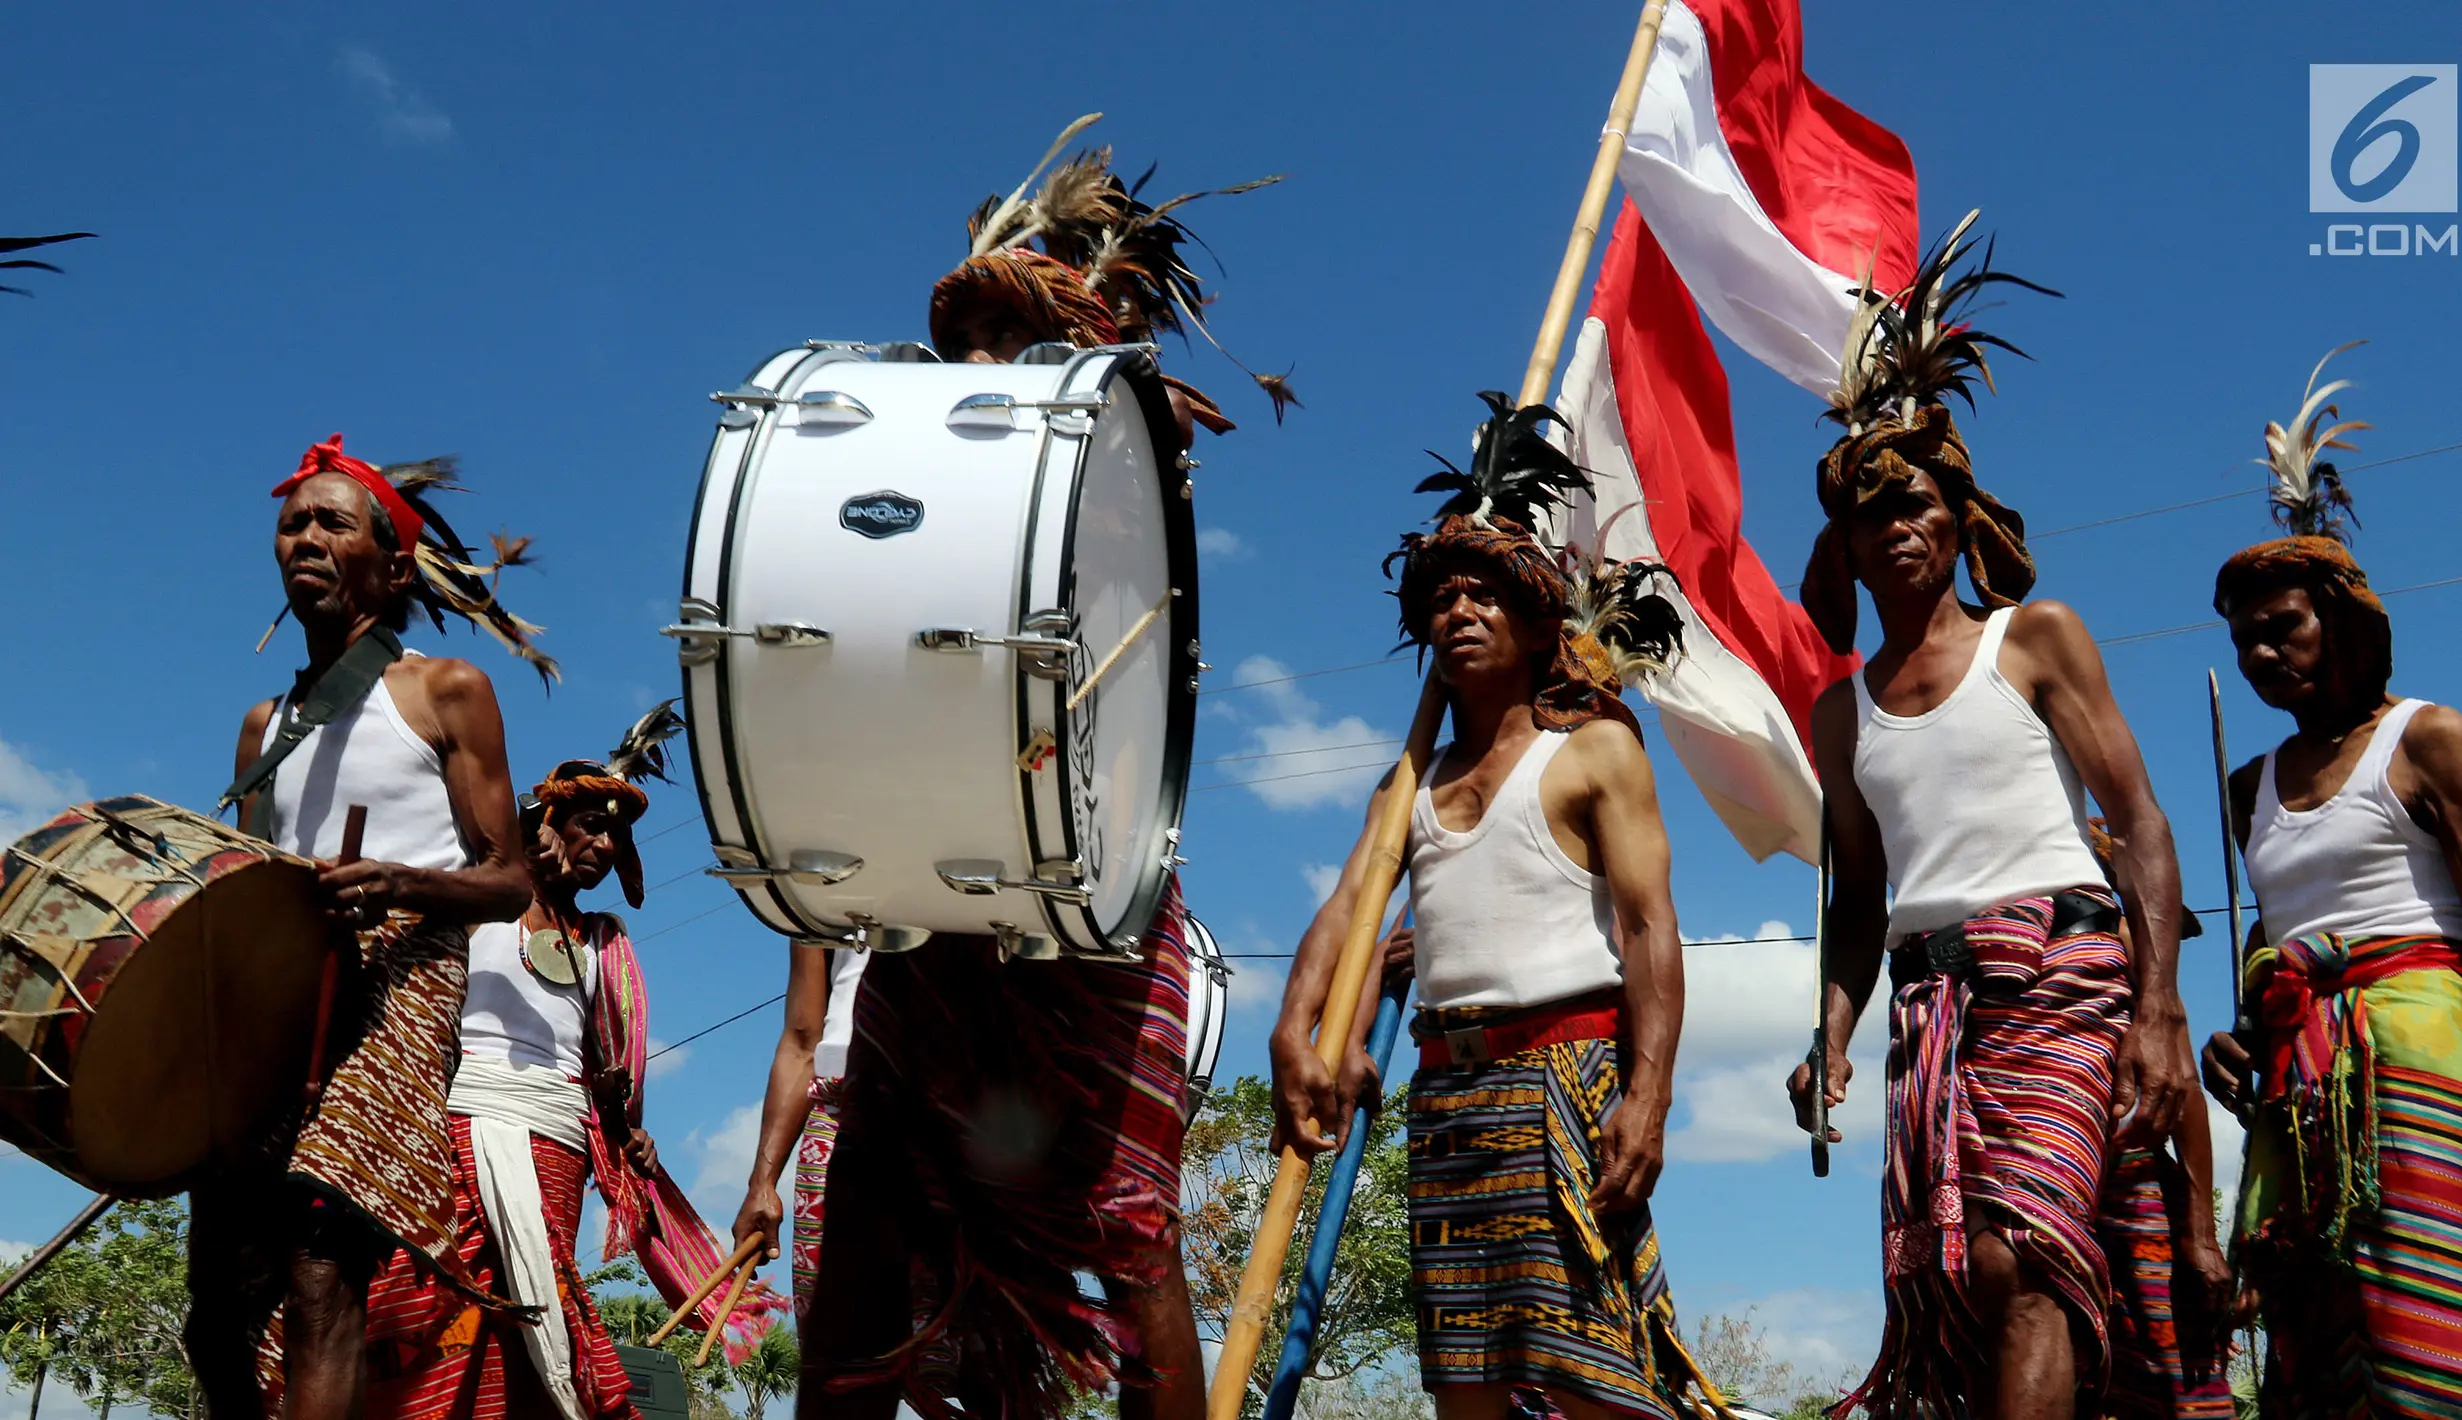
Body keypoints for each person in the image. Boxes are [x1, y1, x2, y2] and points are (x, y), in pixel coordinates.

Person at [780, 119, 1284, 1420]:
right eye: (972, 342)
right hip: (939, 890)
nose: (985, 366)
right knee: (874, 1188)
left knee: (1124, 1224)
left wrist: (1128, 428)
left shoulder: (1126, 463)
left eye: (1024, 340)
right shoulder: (910, 474)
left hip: (1092, 907)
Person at [1779, 218, 2196, 1420]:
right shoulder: (1838, 716)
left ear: (1959, 518)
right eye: (1868, 516)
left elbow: (2142, 823)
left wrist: (2159, 1008)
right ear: (1844, 550)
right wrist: (1831, 1028)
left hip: (2062, 971)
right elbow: (1857, 900)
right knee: (1951, 1275)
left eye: (1915, 502)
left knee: (2020, 1252)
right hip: (1929, 1003)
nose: (1894, 525)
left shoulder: (2035, 640)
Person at [1269, 392, 1725, 1420]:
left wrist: (1644, 1100)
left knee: (1595, 1378)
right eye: (1442, 599)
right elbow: (1346, 906)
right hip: (1444, 1098)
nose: (1459, 612)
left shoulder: (1592, 754)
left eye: (1484, 595)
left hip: (1561, 1079)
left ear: (1532, 623)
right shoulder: (1406, 789)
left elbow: (1651, 928)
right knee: (1464, 1390)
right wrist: (1294, 1028)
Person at [197, 434, 546, 1420]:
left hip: (401, 983)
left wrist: (397, 878)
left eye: (329, 521)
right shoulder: (263, 727)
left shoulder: (446, 692)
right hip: (284, 990)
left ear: (392, 565)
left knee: (319, 1265)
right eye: (290, 523)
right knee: (219, 1309)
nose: (303, 536)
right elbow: (248, 880)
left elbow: (509, 880)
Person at [359, 706, 783, 1420]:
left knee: (534, 1306)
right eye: (590, 824)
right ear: (545, 823)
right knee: (441, 1300)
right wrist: (520, 842)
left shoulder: (602, 944)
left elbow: (601, 1070)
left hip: (556, 1139)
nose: (606, 844)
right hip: (457, 1123)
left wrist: (626, 1127)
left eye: (617, 834)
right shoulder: (477, 893)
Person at [2198, 345, 2462, 1417]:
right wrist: (2241, 1033)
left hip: (2422, 1061)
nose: (2263, 655)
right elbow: (2270, 935)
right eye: (2243, 642)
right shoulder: (2243, 785)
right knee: (2316, 1331)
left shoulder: (2427, 739)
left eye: (2283, 628)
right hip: (2298, 1083)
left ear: (2340, 618)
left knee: (2429, 1324)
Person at [2080, 822, 2233, 1420]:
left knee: (2173, 1382)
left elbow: (2183, 1086)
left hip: (2132, 1191)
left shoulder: (2129, 955)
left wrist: (2200, 1238)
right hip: (2050, 1187)